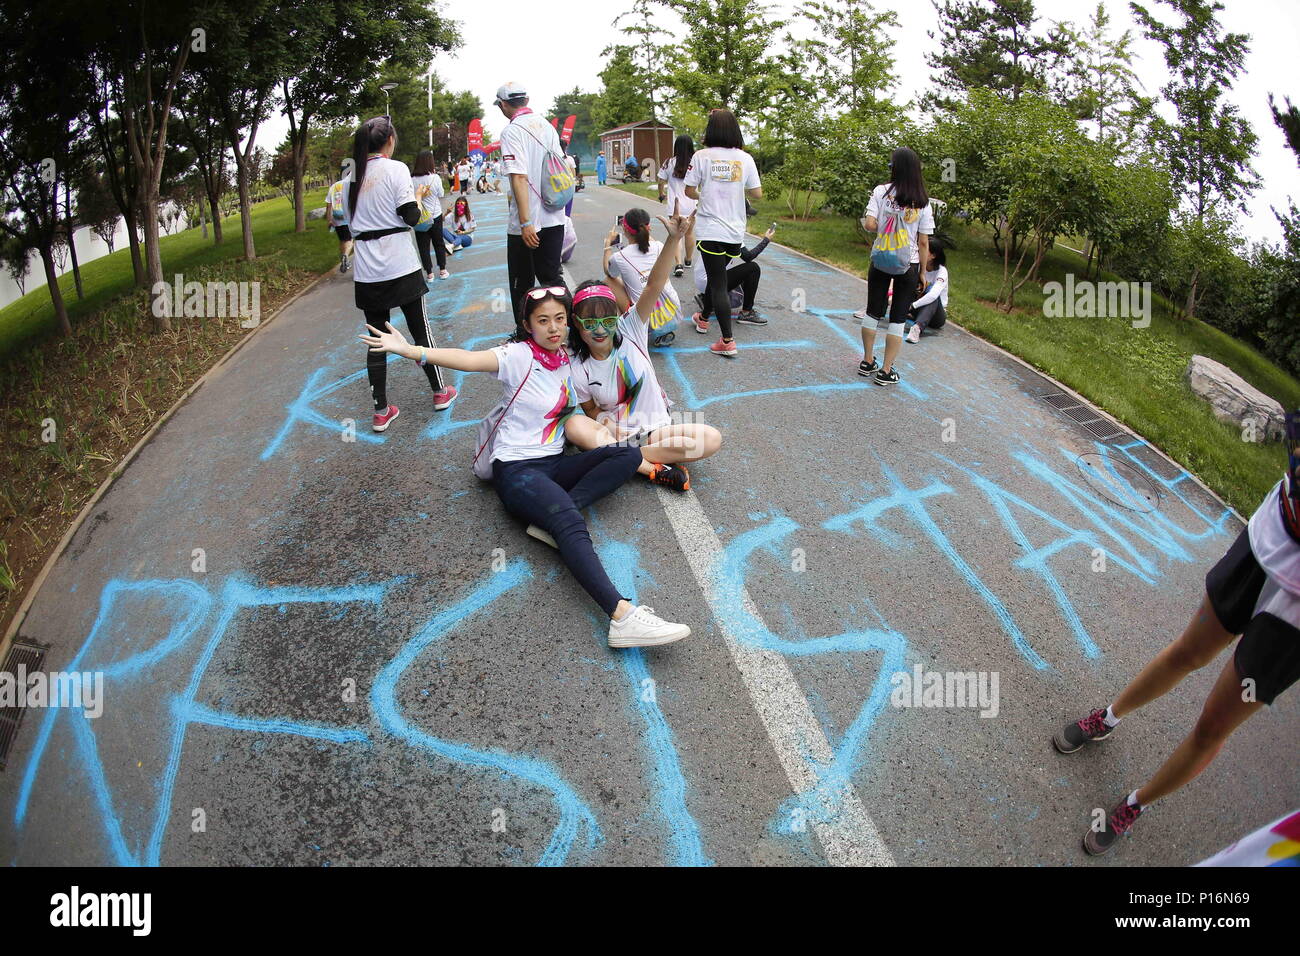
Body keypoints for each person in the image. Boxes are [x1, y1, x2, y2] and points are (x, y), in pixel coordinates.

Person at [359, 287, 693, 649]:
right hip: (517, 470)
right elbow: (469, 360)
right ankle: (622, 617)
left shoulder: (566, 357)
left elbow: (605, 338)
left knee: (626, 456)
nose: (554, 328)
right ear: (527, 325)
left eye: (560, 320)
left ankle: (551, 518)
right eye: (543, 321)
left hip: (553, 463)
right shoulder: (518, 356)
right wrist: (413, 351)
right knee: (569, 522)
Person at [1054, 441, 1300, 855]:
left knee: (1214, 724)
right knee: (1188, 652)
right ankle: (1109, 718)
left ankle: (1137, 803)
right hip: (1269, 541)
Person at [568, 216, 721, 491]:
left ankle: (626, 461)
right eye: (589, 323)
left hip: (656, 432)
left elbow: (653, 285)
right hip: (616, 435)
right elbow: (591, 412)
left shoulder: (631, 329)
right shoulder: (577, 365)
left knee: (710, 438)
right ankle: (647, 467)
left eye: (607, 320)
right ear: (577, 325)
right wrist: (612, 430)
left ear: (617, 317)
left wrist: (673, 239)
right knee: (575, 425)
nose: (600, 329)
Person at [346, 116, 456, 430]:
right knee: (421, 331)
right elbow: (409, 216)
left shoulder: (348, 178)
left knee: (377, 340)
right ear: (390, 140)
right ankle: (439, 391)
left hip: (367, 269)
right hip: (400, 264)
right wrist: (419, 199)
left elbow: (343, 225)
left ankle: (381, 410)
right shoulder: (396, 170)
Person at [683, 108, 763, 358]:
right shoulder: (745, 159)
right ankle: (704, 317)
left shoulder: (701, 156)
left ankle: (727, 340)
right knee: (718, 278)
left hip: (711, 230)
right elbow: (757, 193)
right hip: (734, 231)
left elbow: (688, 191)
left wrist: (705, 194)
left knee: (718, 283)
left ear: (711, 130)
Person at [855, 147, 933, 387]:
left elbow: (869, 223)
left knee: (872, 311)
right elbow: (923, 241)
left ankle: (868, 361)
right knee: (898, 317)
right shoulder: (922, 202)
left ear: (894, 169)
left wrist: (884, 226)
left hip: (880, 259)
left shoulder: (881, 192)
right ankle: (886, 370)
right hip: (908, 264)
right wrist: (922, 273)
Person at [496, 81, 567, 325]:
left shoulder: (512, 131)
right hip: (554, 214)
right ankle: (570, 332)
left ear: (504, 105)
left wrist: (526, 222)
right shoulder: (548, 127)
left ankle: (523, 338)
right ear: (526, 101)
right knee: (553, 281)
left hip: (527, 222)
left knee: (521, 284)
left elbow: (518, 176)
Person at [603, 208, 682, 348]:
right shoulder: (659, 246)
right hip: (673, 313)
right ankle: (663, 332)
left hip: (646, 320)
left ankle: (625, 329)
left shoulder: (620, 257)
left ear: (625, 230)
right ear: (648, 228)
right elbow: (646, 245)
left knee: (608, 281)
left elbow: (609, 272)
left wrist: (607, 246)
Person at [691, 226, 773, 331]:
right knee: (753, 268)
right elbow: (748, 257)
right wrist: (766, 240)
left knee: (735, 273)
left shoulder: (713, 228)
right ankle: (746, 313)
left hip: (701, 279)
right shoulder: (733, 232)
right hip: (712, 281)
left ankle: (707, 301)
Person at [658, 134, 697, 277]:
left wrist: (661, 193)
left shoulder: (668, 163)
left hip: (675, 205)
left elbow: (661, 181)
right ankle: (688, 260)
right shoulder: (695, 162)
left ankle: (678, 264)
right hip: (692, 204)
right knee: (689, 233)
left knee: (676, 235)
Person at [411, 150, 449, 281]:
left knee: (423, 246)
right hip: (435, 215)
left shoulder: (411, 180)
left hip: (419, 216)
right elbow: (441, 194)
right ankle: (443, 270)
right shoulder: (435, 178)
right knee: (438, 242)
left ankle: (429, 273)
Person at [905, 245, 949, 343]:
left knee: (932, 295)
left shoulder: (942, 271)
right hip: (916, 308)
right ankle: (875, 310)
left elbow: (933, 295)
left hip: (936, 316)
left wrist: (912, 305)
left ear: (933, 255)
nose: (919, 250)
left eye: (924, 249)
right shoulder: (917, 265)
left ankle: (917, 328)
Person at [327, 172, 353, 273]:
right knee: (350, 240)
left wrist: (329, 219)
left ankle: (344, 259)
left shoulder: (334, 186)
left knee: (343, 240)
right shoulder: (350, 185)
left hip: (336, 217)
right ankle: (345, 256)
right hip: (346, 216)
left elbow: (329, 204)